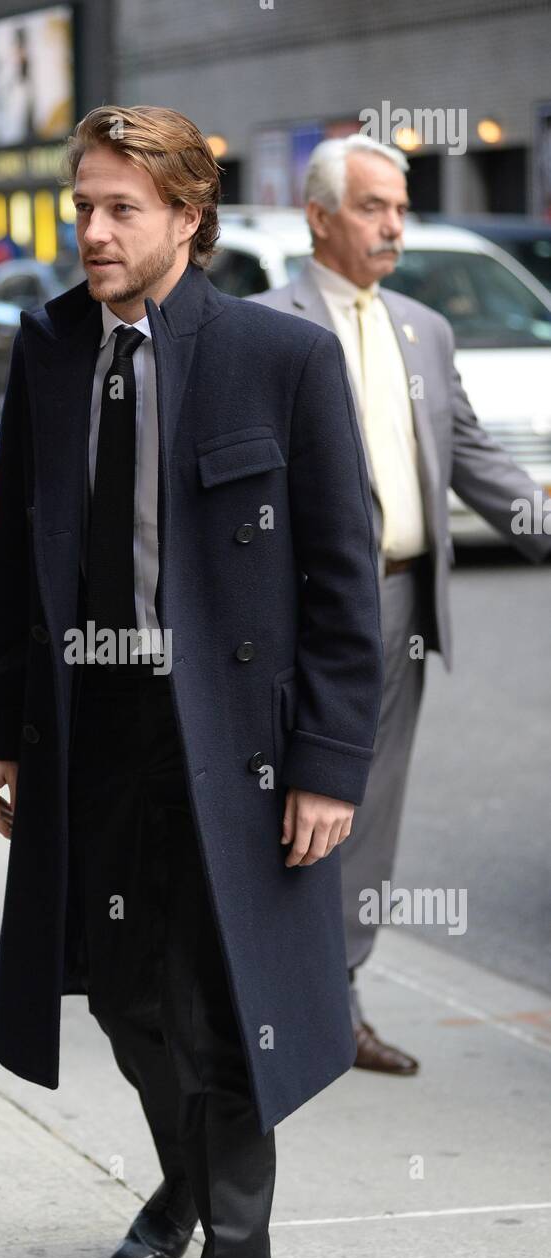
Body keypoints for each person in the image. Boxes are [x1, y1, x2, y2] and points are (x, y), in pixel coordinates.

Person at [0, 105, 384, 1258]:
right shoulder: (49, 352)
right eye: (82, 207)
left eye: (118, 210)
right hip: (91, 733)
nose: (90, 232)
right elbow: (15, 564)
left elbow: (342, 581)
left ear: (187, 219)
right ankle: (184, 1181)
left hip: (231, 745)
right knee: (120, 998)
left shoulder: (281, 359)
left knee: (221, 1013)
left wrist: (328, 761)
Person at [251, 134, 551, 1073]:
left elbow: (474, 459)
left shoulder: (425, 328)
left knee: (365, 816)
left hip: (399, 609)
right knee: (277, 810)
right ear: (319, 215)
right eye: (375, 206)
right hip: (293, 618)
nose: (393, 226)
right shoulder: (265, 325)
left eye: (402, 208)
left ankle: (335, 1004)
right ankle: (265, 1003)